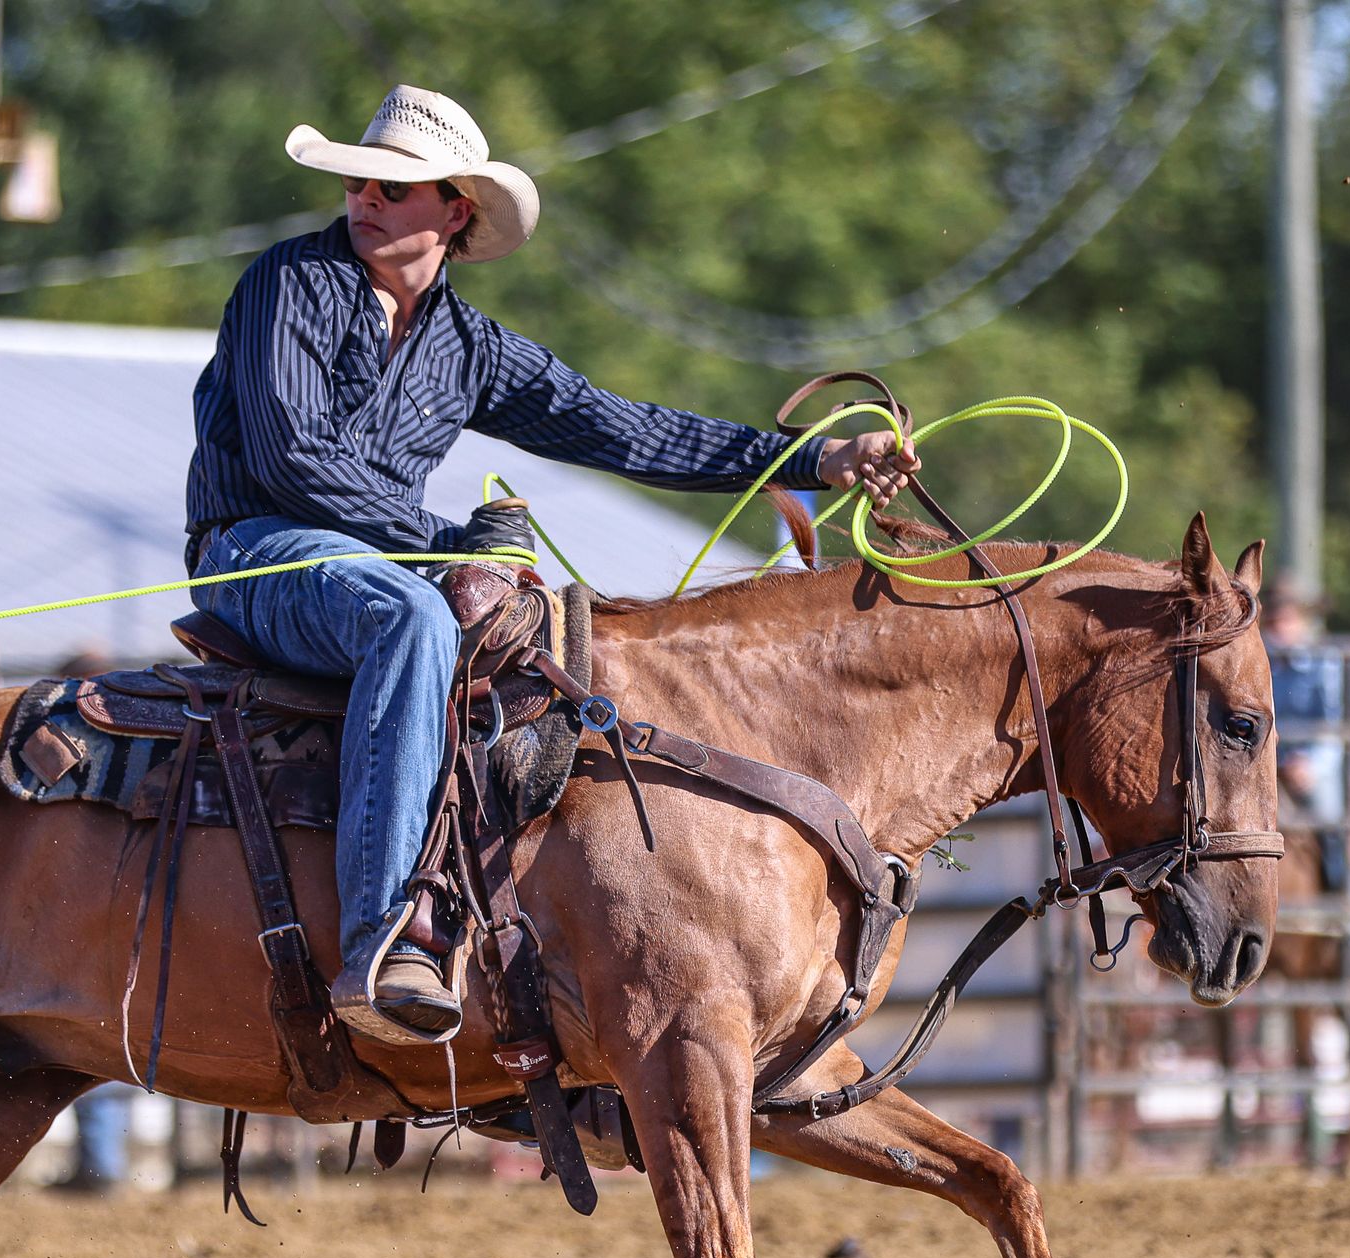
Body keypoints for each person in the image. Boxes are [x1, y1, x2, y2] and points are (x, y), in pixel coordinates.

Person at [184, 86, 918, 1043]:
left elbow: (621, 428)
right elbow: (292, 459)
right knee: (414, 620)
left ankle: (526, 943)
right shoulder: (289, 283)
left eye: (396, 187)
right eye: (362, 178)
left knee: (543, 648)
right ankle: (383, 938)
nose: (366, 195)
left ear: (456, 213)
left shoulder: (468, 350)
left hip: (381, 565)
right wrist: (452, 544)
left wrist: (812, 460)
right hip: (258, 550)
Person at [1264, 594, 1348, 894]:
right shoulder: (1258, 658)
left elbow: (1333, 725)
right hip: (1265, 760)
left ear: (1301, 622)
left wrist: (1309, 764)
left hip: (1311, 764)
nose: (1278, 629)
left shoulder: (1323, 661)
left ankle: (1344, 909)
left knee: (1332, 822)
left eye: (1286, 620)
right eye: (1273, 621)